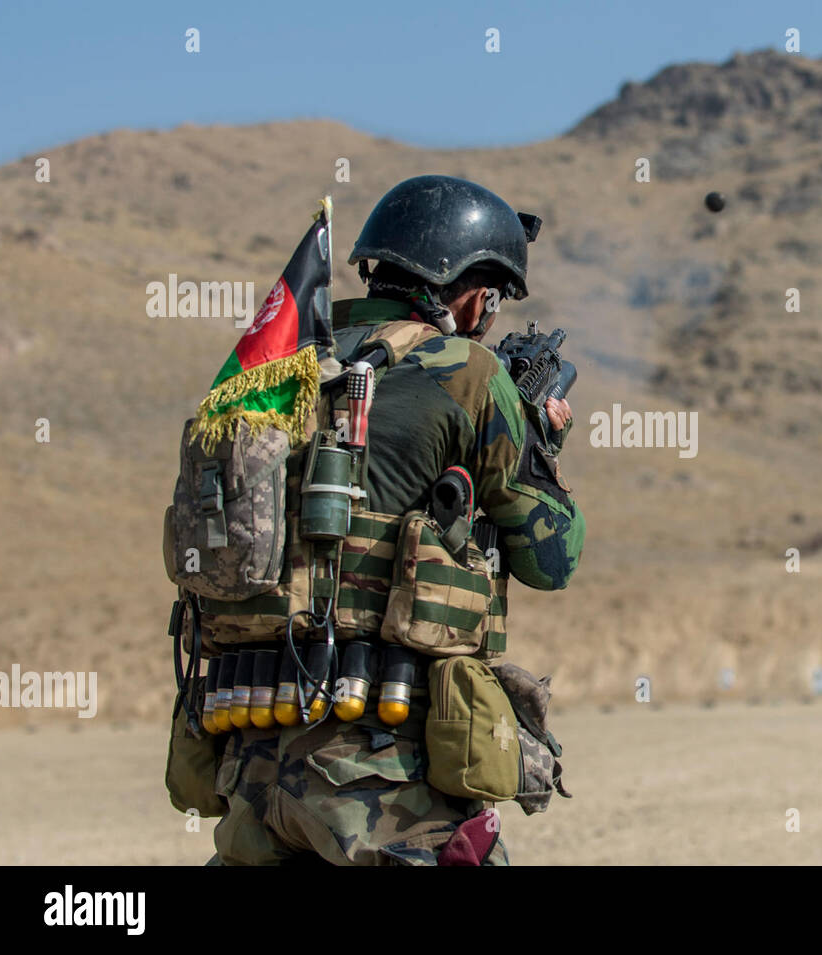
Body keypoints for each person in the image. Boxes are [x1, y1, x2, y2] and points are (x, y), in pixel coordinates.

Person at [208, 175, 585, 866]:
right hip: (380, 774)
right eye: (492, 300)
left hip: (247, 759)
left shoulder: (283, 363)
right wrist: (543, 445)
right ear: (478, 293)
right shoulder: (469, 372)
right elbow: (552, 559)